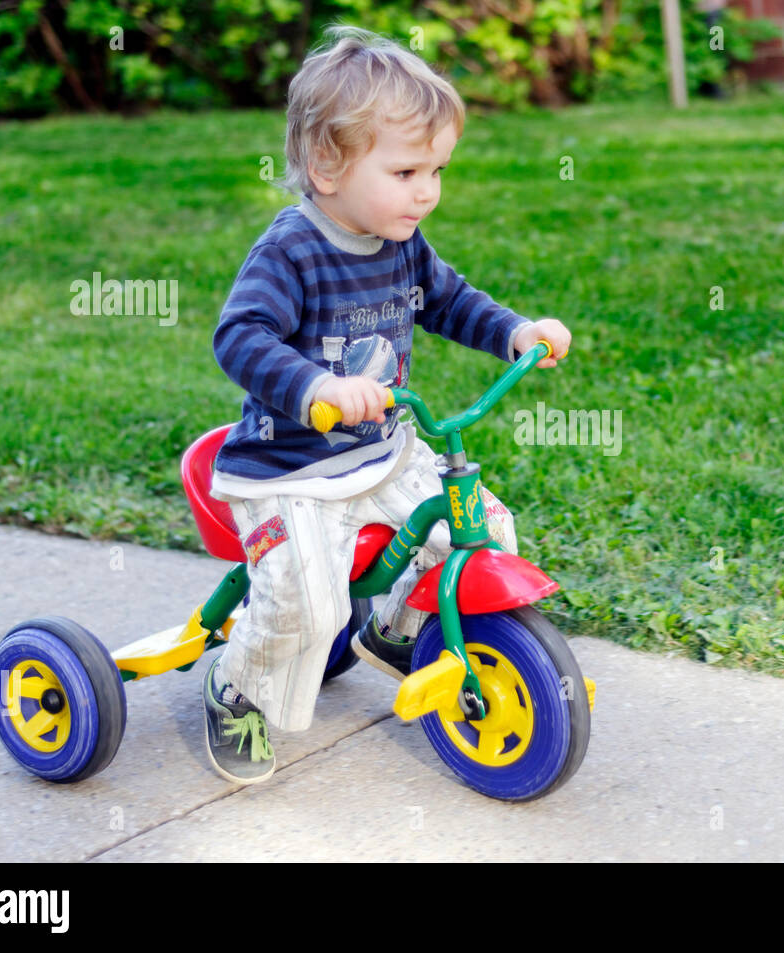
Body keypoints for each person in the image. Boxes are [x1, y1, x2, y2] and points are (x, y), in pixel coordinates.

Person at [203, 24, 572, 784]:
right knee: (305, 604)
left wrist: (513, 332)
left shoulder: (402, 243)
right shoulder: (291, 252)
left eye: (437, 170)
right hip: (291, 470)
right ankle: (238, 689)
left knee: (485, 527)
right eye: (407, 170)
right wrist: (316, 388)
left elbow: (449, 301)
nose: (428, 190)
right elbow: (239, 336)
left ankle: (400, 632)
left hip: (380, 454)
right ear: (326, 166)